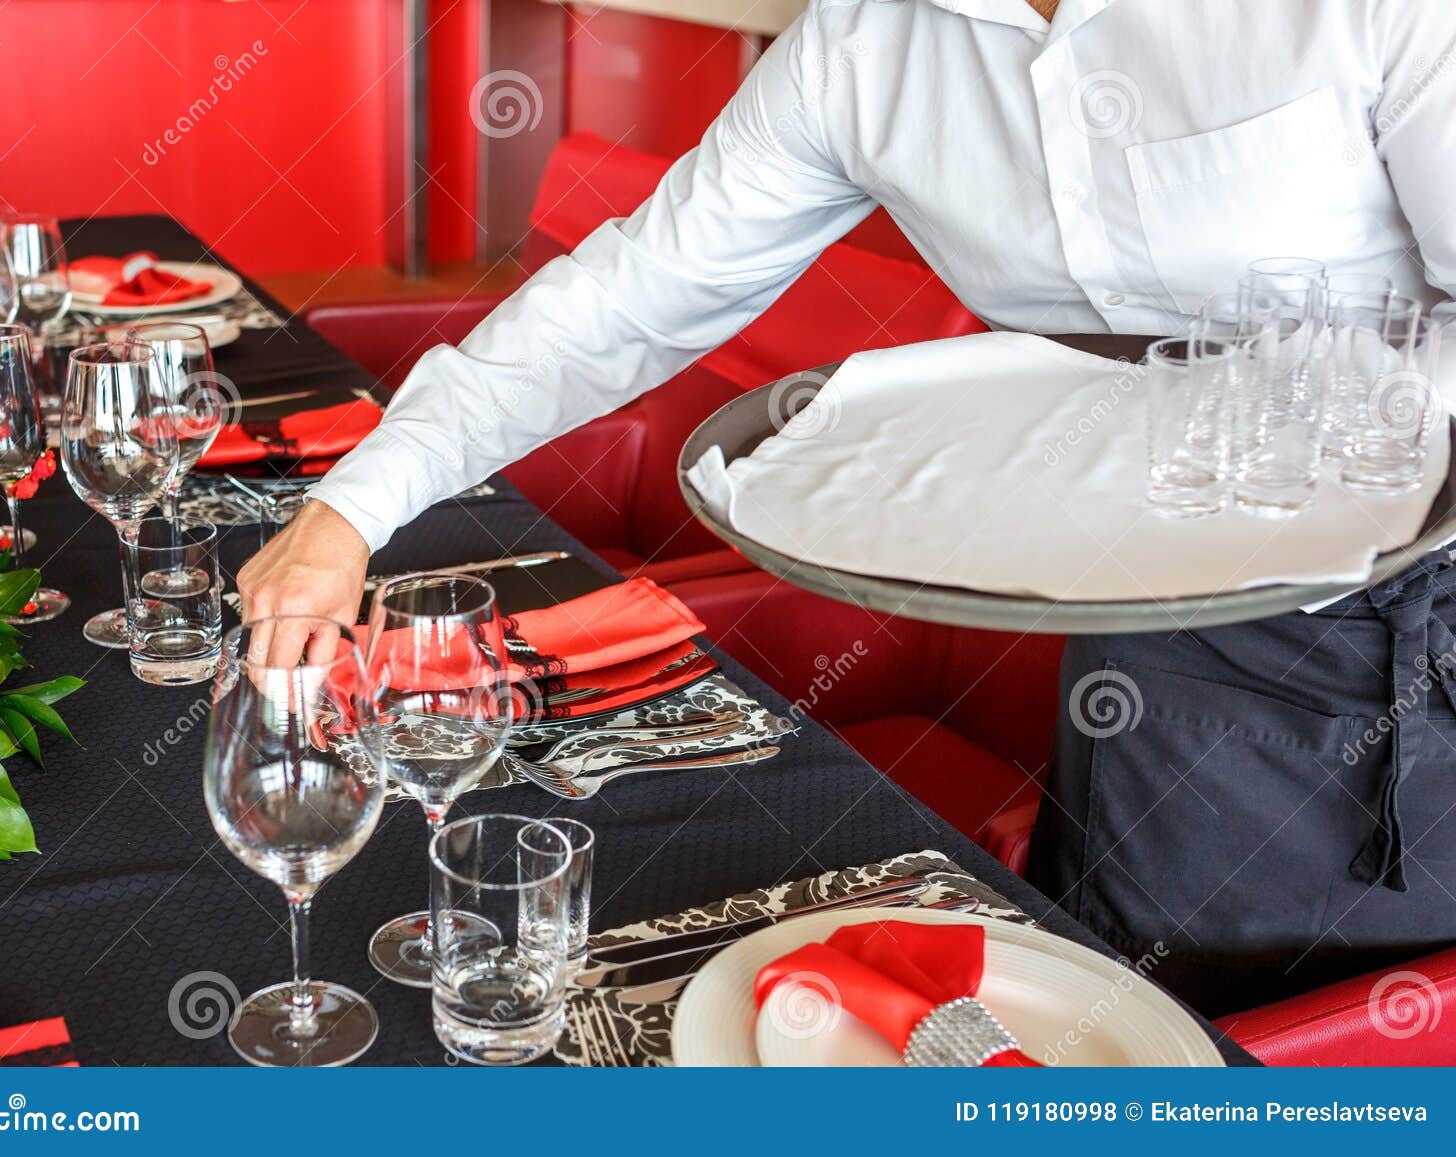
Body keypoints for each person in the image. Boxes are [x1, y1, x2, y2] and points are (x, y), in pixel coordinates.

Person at [238, 0, 1456, 1013]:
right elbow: (634, 296)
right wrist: (353, 508)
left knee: (1323, 1033)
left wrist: (1256, 416)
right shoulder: (865, 43)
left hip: (1400, 618)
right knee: (1124, 1009)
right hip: (1131, 618)